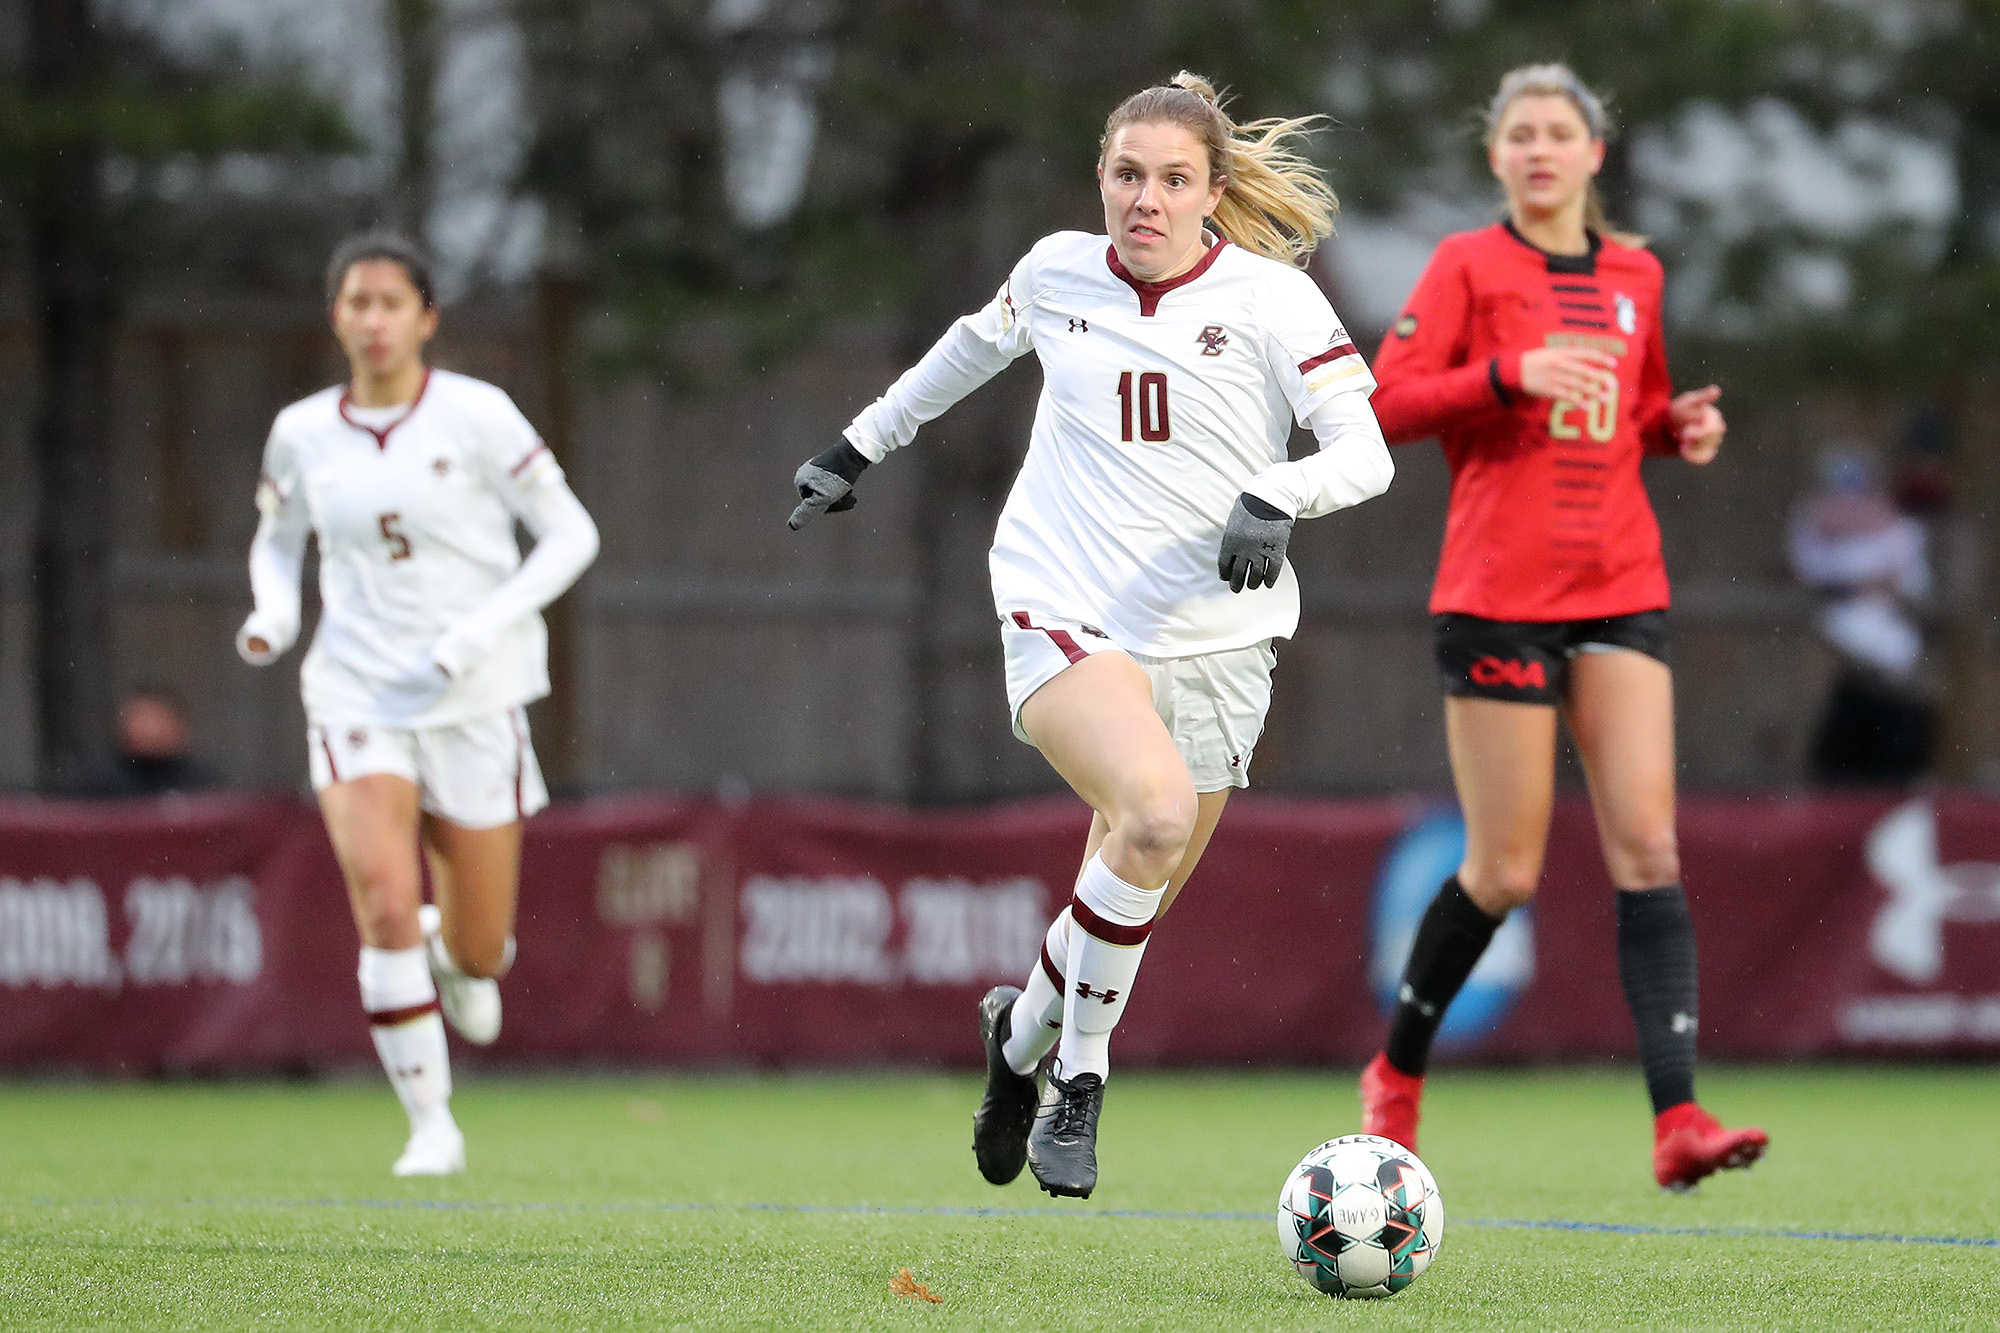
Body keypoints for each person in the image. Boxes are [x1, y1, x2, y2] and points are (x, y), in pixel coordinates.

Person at [788, 73, 1392, 1198]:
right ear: (1098, 179)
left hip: (1217, 639)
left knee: (1133, 880)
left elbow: (1367, 453)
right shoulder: (1056, 271)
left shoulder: (1272, 302)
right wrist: (855, 448)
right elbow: (968, 348)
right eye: (1126, 175)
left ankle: (1014, 1040)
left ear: (1212, 193)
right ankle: (1078, 1075)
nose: (1144, 200)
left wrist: (1277, 495)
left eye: (1171, 180)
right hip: (1059, 601)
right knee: (1151, 814)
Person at [1358, 64, 1767, 1191]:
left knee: (1648, 846)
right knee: (1502, 869)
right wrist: (1504, 371)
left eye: (1558, 133)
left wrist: (1669, 426)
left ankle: (1675, 1116)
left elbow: (1622, 413)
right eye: (1518, 134)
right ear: (1495, 157)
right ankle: (1393, 1080)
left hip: (1621, 582)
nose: (1538, 149)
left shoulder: (1637, 271)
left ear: (1594, 154)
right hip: (1495, 594)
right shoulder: (1464, 266)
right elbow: (1384, 404)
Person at [235, 233, 600, 1176]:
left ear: (426, 318)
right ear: (336, 317)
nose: (373, 319)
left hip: (477, 696)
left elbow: (571, 535)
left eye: (391, 301)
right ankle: (431, 1124)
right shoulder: (304, 431)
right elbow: (278, 541)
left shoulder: (479, 416)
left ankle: (459, 954)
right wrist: (275, 612)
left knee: (481, 951)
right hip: (356, 688)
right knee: (387, 905)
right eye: (357, 301)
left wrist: (483, 627)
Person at [1789, 445, 1935, 784]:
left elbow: (1913, 582)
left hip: (1896, 686)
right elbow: (1814, 570)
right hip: (1848, 681)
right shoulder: (1813, 529)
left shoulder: (1899, 530)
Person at [75, 687, 220, 797]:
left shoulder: (205, 786)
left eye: (158, 717)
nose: (150, 728)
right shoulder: (95, 786)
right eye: (141, 717)